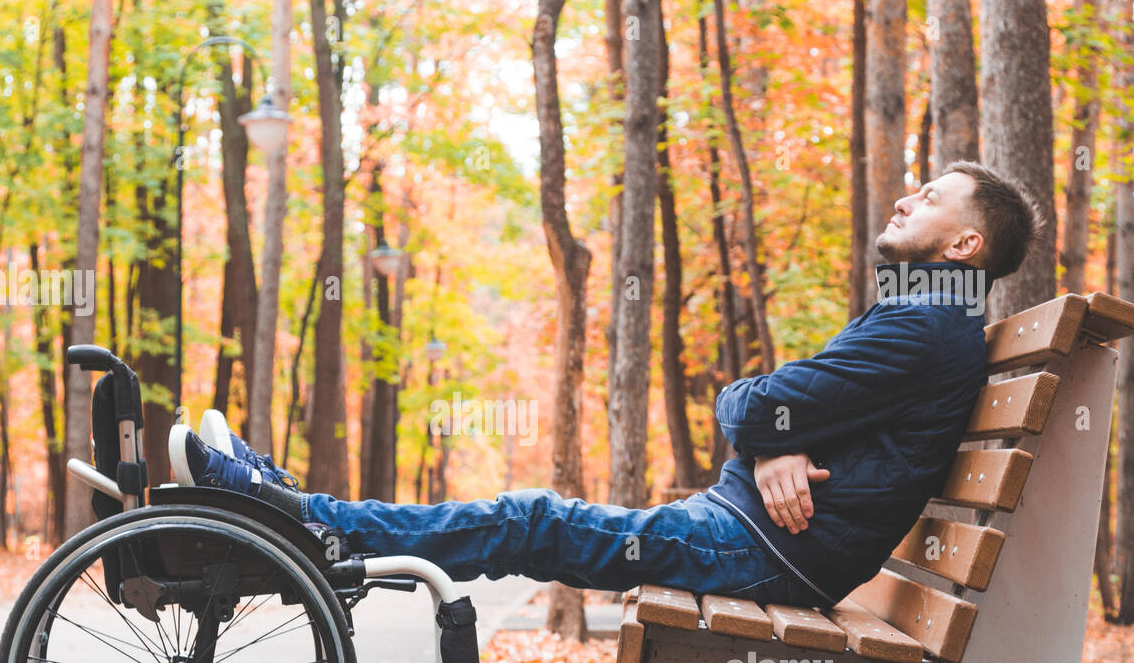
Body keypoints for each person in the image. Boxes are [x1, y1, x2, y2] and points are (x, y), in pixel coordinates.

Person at [168, 160, 1044, 609]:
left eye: (929, 198)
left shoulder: (920, 330)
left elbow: (748, 403)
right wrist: (780, 433)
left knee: (529, 519)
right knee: (529, 518)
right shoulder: (926, 324)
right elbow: (787, 408)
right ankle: (300, 519)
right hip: (750, 534)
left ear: (965, 245)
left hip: (756, 552)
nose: (903, 200)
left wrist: (770, 429)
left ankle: (298, 523)